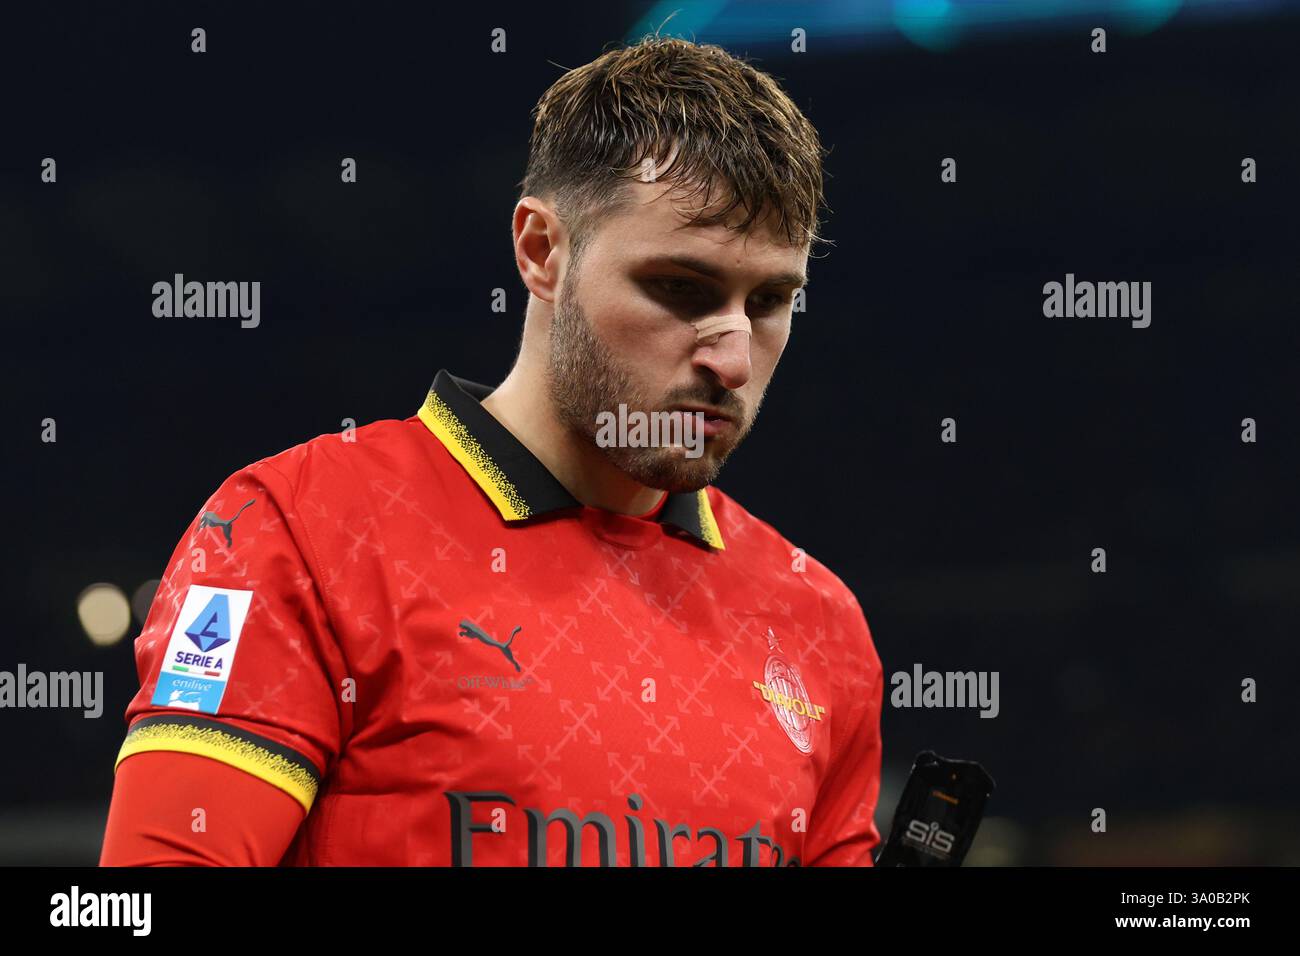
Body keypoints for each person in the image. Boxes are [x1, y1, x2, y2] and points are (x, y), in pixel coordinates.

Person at [100, 35, 884, 867]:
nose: (731, 358)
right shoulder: (296, 530)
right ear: (543, 251)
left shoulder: (817, 621)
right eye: (680, 289)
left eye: (769, 301)